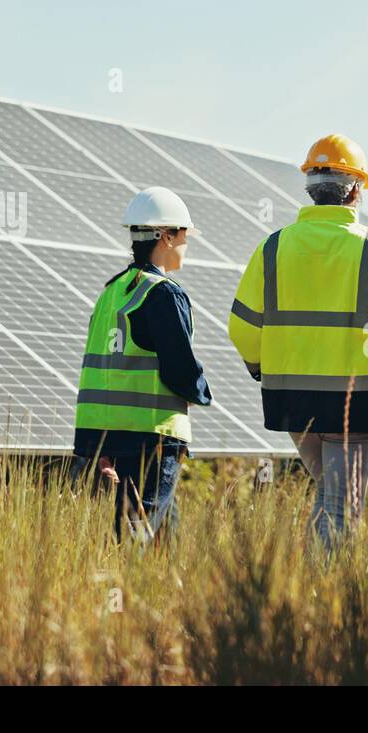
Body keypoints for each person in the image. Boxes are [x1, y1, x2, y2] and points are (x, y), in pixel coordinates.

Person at [228, 134, 368, 551]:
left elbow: (243, 325)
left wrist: (262, 369)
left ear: (309, 187)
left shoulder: (273, 248)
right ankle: (324, 590)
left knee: (331, 495)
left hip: (290, 400)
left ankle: (312, 586)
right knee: (340, 505)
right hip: (352, 402)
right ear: (357, 190)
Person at [73, 186, 212, 544]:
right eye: (184, 235)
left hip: (107, 434)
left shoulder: (111, 293)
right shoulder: (164, 293)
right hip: (152, 434)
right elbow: (181, 370)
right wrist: (203, 393)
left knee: (159, 532)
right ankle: (125, 594)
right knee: (138, 531)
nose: (186, 243)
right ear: (165, 236)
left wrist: (96, 444)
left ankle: (165, 596)